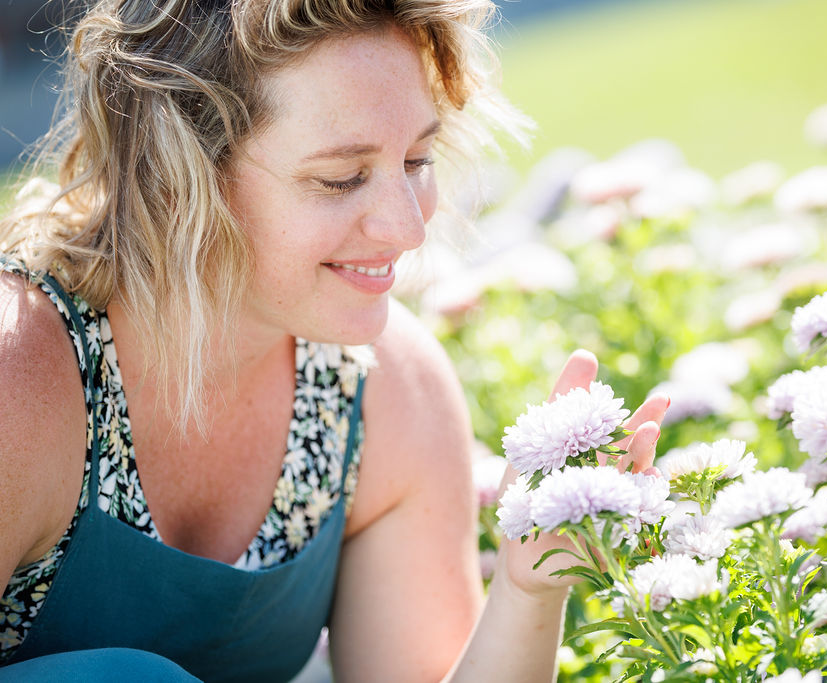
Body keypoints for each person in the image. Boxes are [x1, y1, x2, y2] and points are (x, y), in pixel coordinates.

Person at [0, 1, 668, 681]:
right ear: (175, 178)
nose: (408, 230)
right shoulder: (17, 375)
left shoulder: (386, 390)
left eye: (416, 160)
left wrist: (530, 585)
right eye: (341, 178)